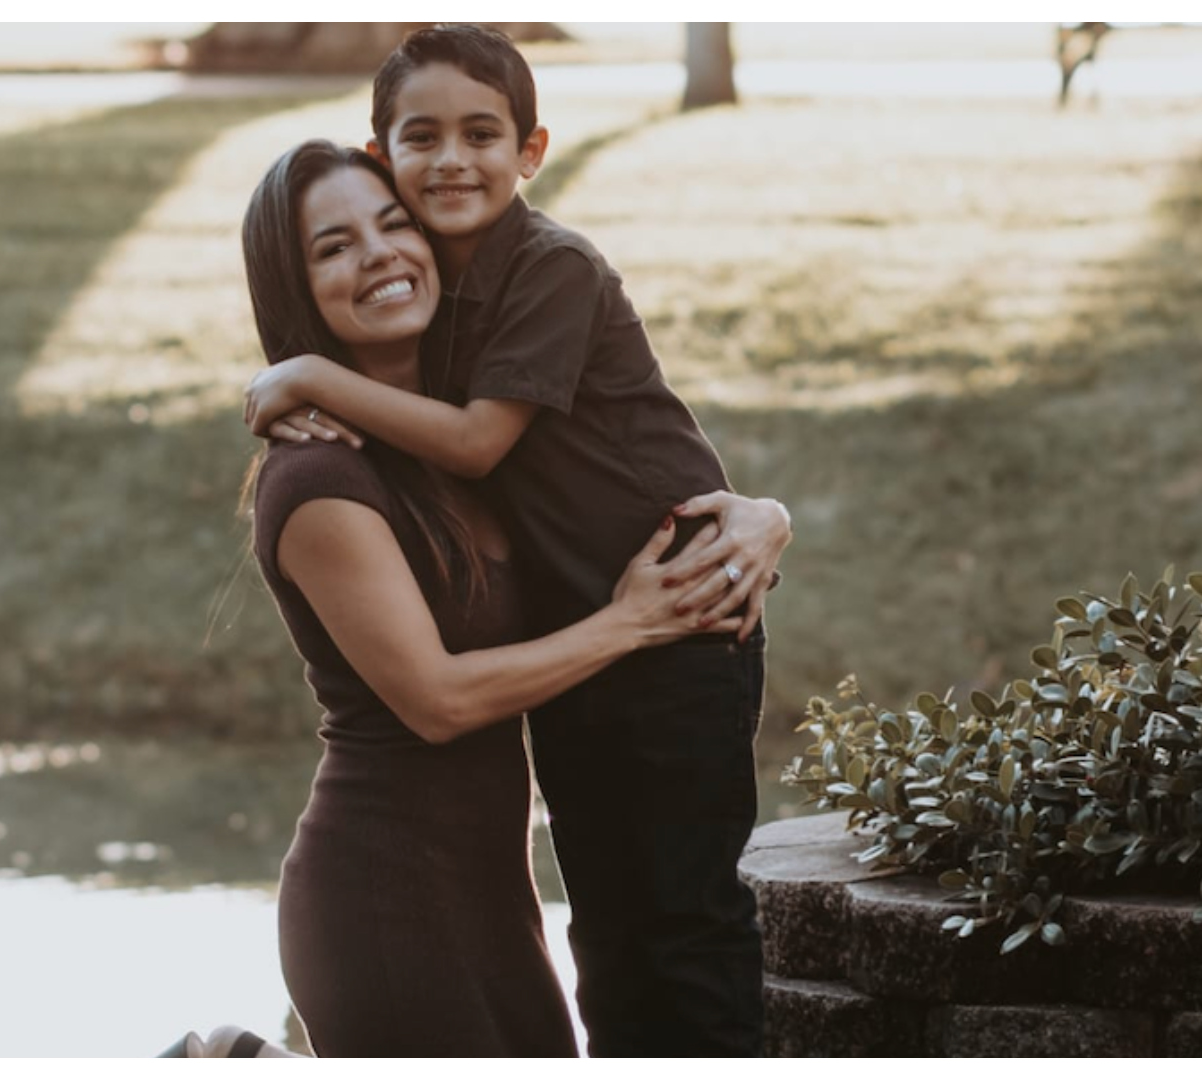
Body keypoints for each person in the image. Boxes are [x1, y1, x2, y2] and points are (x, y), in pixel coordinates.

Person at [242, 25, 793, 1057]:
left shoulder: (525, 295)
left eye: (384, 229)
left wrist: (764, 516)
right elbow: (441, 697)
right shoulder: (329, 469)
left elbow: (538, 443)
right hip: (398, 883)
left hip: (632, 715)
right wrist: (628, 623)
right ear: (389, 151)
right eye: (333, 247)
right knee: (630, 948)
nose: (383, 253)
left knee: (677, 937)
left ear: (529, 150)